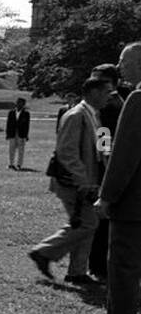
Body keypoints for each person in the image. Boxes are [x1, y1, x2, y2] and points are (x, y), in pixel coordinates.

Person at [28, 76, 112, 285]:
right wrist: (84, 181)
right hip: (74, 183)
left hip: (90, 181)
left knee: (86, 224)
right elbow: (67, 153)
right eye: (106, 92)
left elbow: (103, 148)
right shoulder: (75, 115)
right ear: (93, 92)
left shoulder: (96, 115)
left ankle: (76, 272)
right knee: (88, 224)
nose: (109, 97)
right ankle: (44, 252)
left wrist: (109, 164)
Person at [91, 43, 141, 314]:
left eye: (124, 62)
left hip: (132, 203)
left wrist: (106, 196)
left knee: (122, 271)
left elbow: (122, 154)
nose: (120, 69)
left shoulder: (134, 99)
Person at [88, 64, 125, 279]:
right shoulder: (103, 106)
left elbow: (104, 140)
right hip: (105, 168)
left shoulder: (115, 104)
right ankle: (98, 266)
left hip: (113, 167)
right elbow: (103, 140)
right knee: (101, 223)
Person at [6, 96, 31, 170]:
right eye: (18, 102)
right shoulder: (11, 112)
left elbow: (27, 125)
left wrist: (26, 135)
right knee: (11, 149)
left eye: (21, 103)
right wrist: (7, 134)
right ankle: (11, 164)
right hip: (12, 133)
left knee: (21, 149)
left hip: (21, 133)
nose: (19, 104)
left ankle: (19, 164)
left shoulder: (26, 113)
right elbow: (8, 124)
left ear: (23, 104)